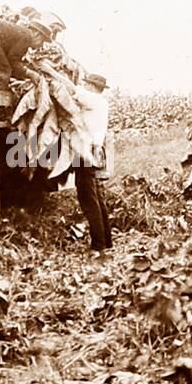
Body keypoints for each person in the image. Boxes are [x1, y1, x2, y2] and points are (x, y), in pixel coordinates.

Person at [0, 12, 64, 93]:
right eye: (42, 41)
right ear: (36, 33)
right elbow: (13, 62)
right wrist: (30, 73)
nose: (41, 45)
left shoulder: (18, 32)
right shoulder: (26, 36)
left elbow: (8, 60)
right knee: (3, 73)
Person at [71, 73, 113, 254]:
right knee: (96, 196)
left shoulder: (93, 100)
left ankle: (98, 246)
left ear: (93, 87)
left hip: (85, 152)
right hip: (93, 151)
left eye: (87, 84)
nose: (85, 86)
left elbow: (71, 89)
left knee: (88, 198)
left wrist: (49, 71)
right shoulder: (100, 102)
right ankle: (107, 242)